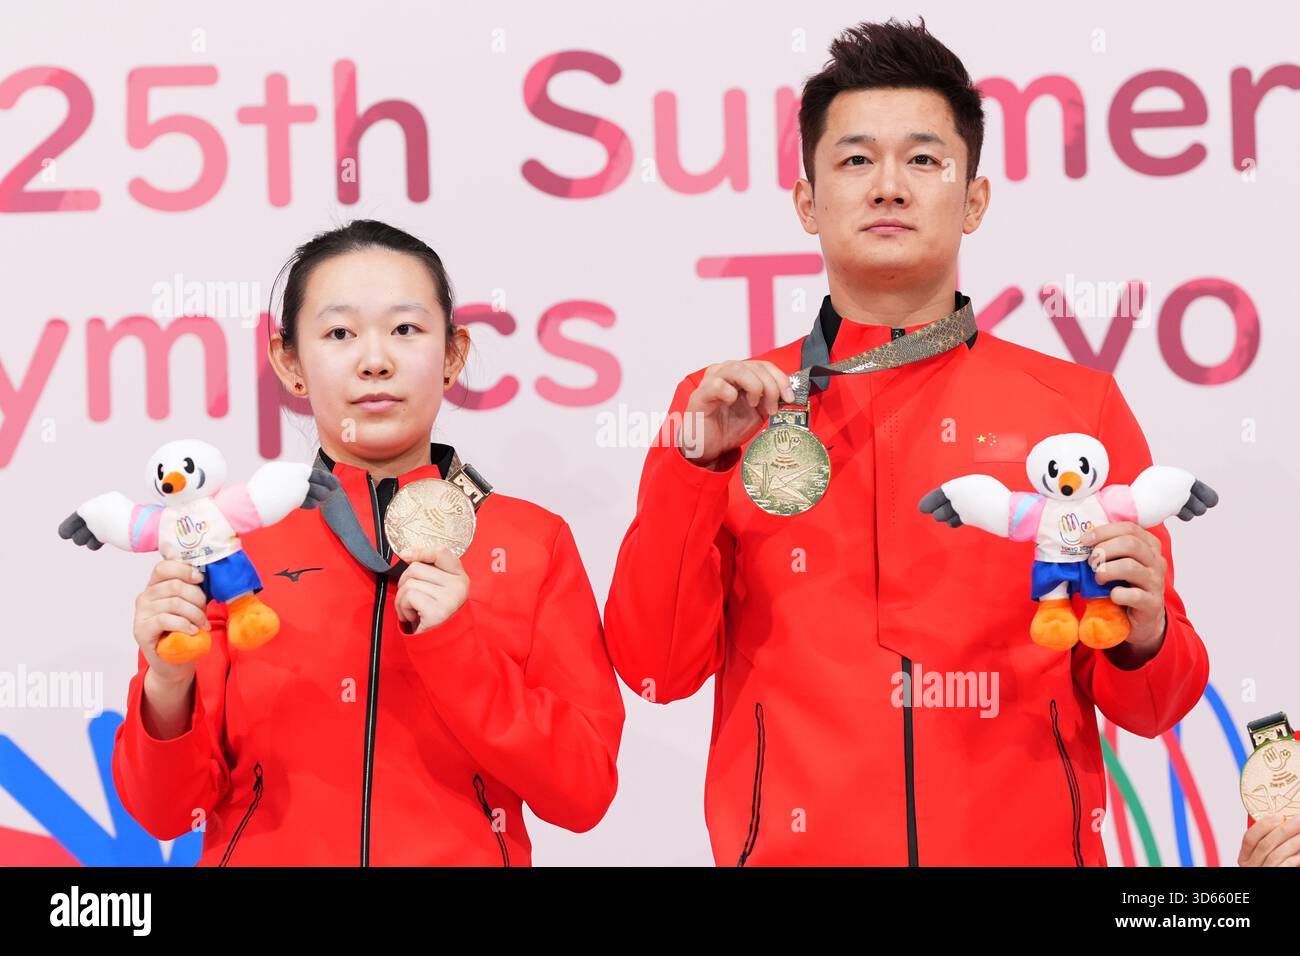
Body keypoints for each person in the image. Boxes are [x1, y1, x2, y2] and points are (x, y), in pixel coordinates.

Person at [603, 18, 1209, 865]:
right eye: (856, 160)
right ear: (807, 202)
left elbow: (1156, 706)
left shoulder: (1077, 409)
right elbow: (655, 670)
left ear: (974, 200)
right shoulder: (726, 410)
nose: (888, 186)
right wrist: (697, 468)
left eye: (924, 160)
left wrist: (1144, 636)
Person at [110, 219, 624, 865]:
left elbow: (583, 793)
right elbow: (165, 812)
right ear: (289, 363)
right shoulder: (227, 541)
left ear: (454, 354)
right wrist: (166, 684)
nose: (375, 360)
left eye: (406, 329)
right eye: (339, 333)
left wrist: (456, 648)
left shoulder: (531, 541)